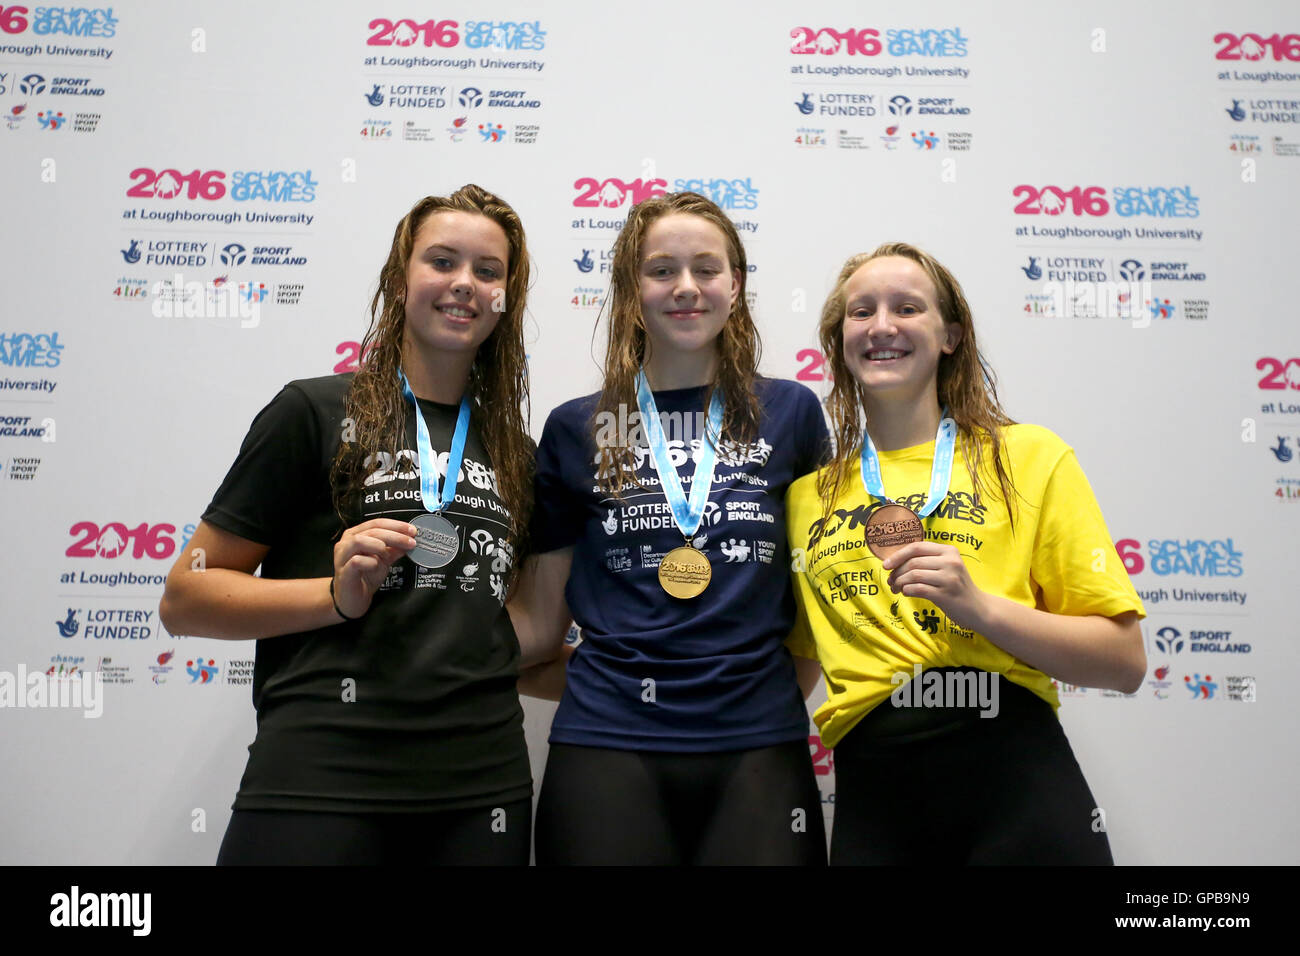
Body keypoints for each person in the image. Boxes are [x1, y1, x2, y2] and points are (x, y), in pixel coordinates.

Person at [159, 184, 536, 865]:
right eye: (442, 262)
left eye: (488, 271)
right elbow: (186, 597)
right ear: (400, 278)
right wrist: (332, 595)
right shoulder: (311, 411)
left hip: (480, 785)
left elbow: (519, 627)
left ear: (508, 296)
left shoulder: (517, 451)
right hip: (318, 771)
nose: (464, 285)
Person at [785, 242, 1147, 865]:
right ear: (838, 339)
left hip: (1017, 787)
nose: (882, 326)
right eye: (861, 311)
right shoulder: (804, 498)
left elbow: (1124, 663)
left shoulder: (1029, 457)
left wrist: (980, 608)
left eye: (907, 307)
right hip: (877, 801)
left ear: (950, 334)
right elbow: (792, 670)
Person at [510, 191, 830, 865]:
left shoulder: (792, 412)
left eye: (706, 269)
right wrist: (417, 647)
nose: (686, 287)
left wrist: (748, 692)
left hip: (759, 747)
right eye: (661, 270)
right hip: (606, 745)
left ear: (735, 286)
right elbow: (540, 624)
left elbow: (813, 605)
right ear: (631, 290)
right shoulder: (576, 428)